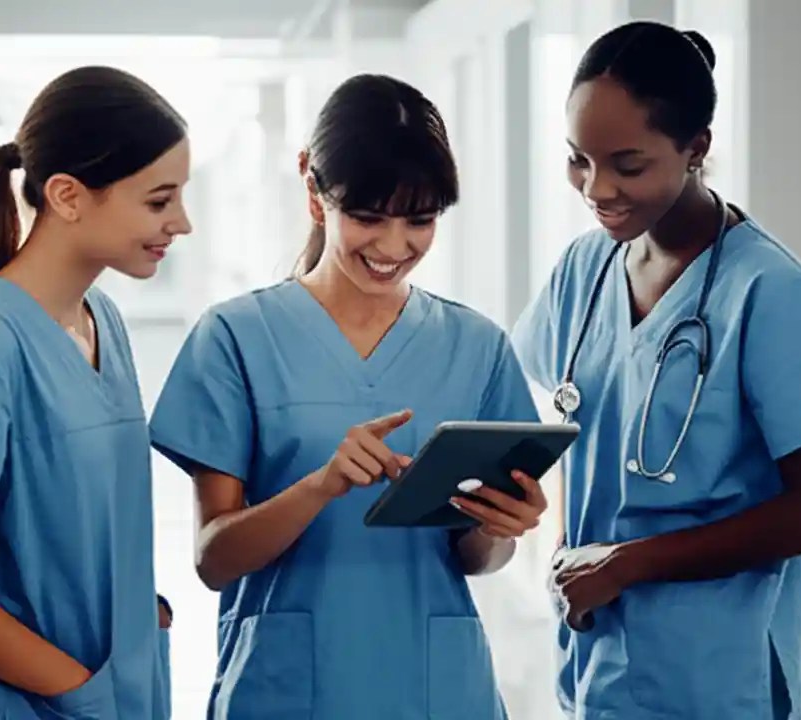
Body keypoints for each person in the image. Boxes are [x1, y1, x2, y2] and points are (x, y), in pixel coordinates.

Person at [148, 73, 545, 720]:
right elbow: (214, 561)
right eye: (366, 217)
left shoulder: (476, 347)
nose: (394, 247)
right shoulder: (236, 339)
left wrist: (500, 527)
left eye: (420, 221)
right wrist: (321, 486)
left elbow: (476, 560)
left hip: (438, 691)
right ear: (313, 190)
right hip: (286, 693)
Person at [511, 22, 801, 720]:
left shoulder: (767, 289)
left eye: (628, 164)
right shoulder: (584, 271)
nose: (596, 188)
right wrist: (563, 547)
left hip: (714, 677)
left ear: (696, 148)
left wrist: (628, 563)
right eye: (579, 160)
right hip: (597, 667)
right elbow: (573, 431)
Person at [0, 66, 191, 719]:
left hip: (112, 690)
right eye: (160, 201)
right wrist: (75, 687)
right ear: (67, 195)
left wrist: (146, 619)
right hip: (28, 701)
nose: (182, 223)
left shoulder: (100, 320)